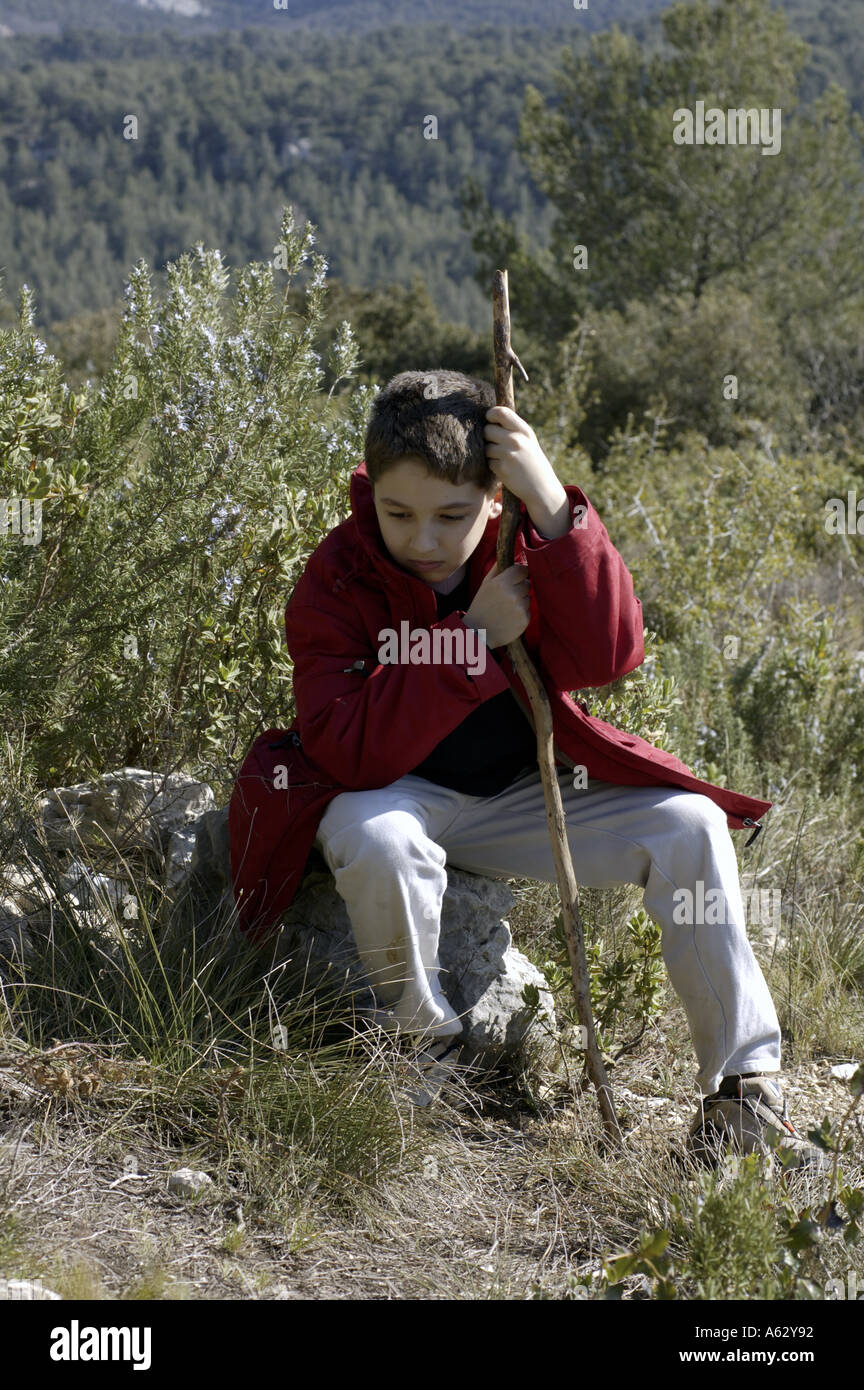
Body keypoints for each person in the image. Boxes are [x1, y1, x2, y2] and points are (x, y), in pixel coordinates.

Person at [228, 369, 825, 1166]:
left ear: (492, 500)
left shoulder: (520, 546)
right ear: (369, 492)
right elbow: (343, 747)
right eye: (399, 513)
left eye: (452, 515)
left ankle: (742, 1093)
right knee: (370, 835)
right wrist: (470, 643)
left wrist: (553, 509)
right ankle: (423, 1052)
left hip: (522, 797)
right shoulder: (337, 576)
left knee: (691, 826)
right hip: (394, 797)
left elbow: (610, 654)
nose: (426, 539)